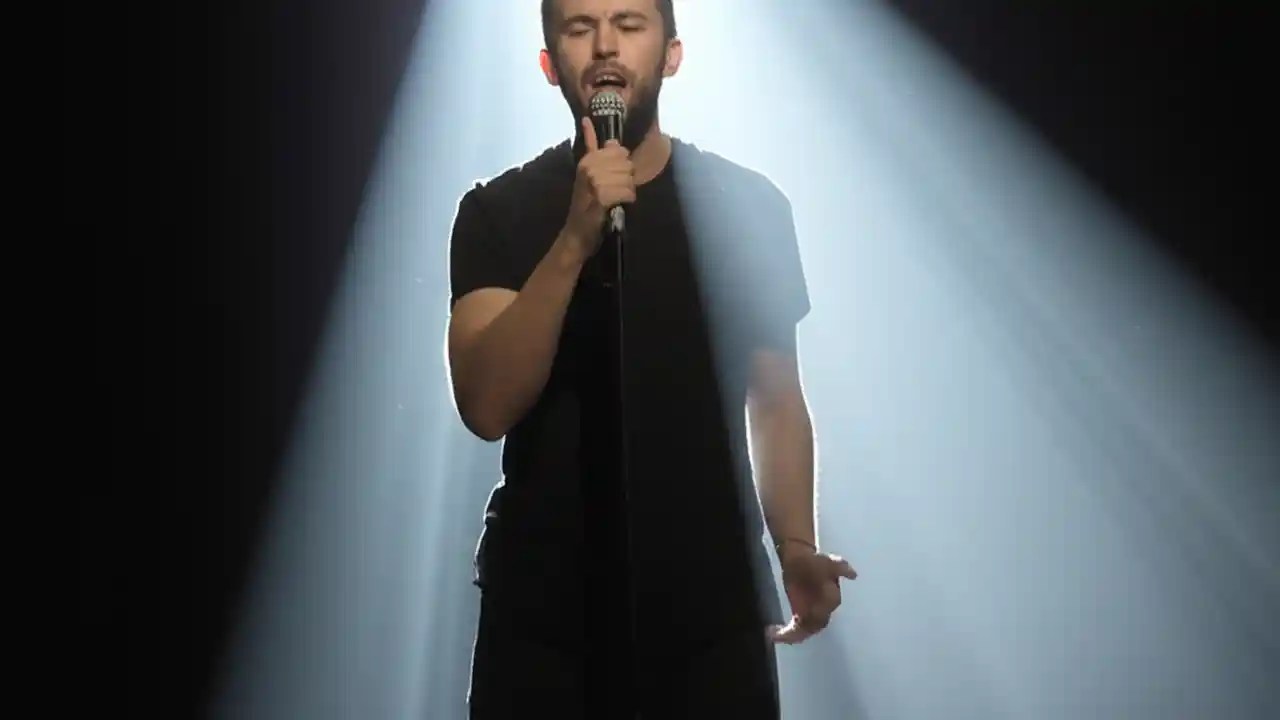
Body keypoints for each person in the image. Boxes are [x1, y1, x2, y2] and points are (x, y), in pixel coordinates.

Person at [446, 1, 857, 717]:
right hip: (545, 620)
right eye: (579, 29)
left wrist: (795, 544)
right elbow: (486, 404)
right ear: (550, 66)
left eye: (629, 24)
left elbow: (776, 398)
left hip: (711, 615)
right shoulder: (497, 212)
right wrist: (574, 240)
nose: (605, 45)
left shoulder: (745, 207)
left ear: (672, 53)